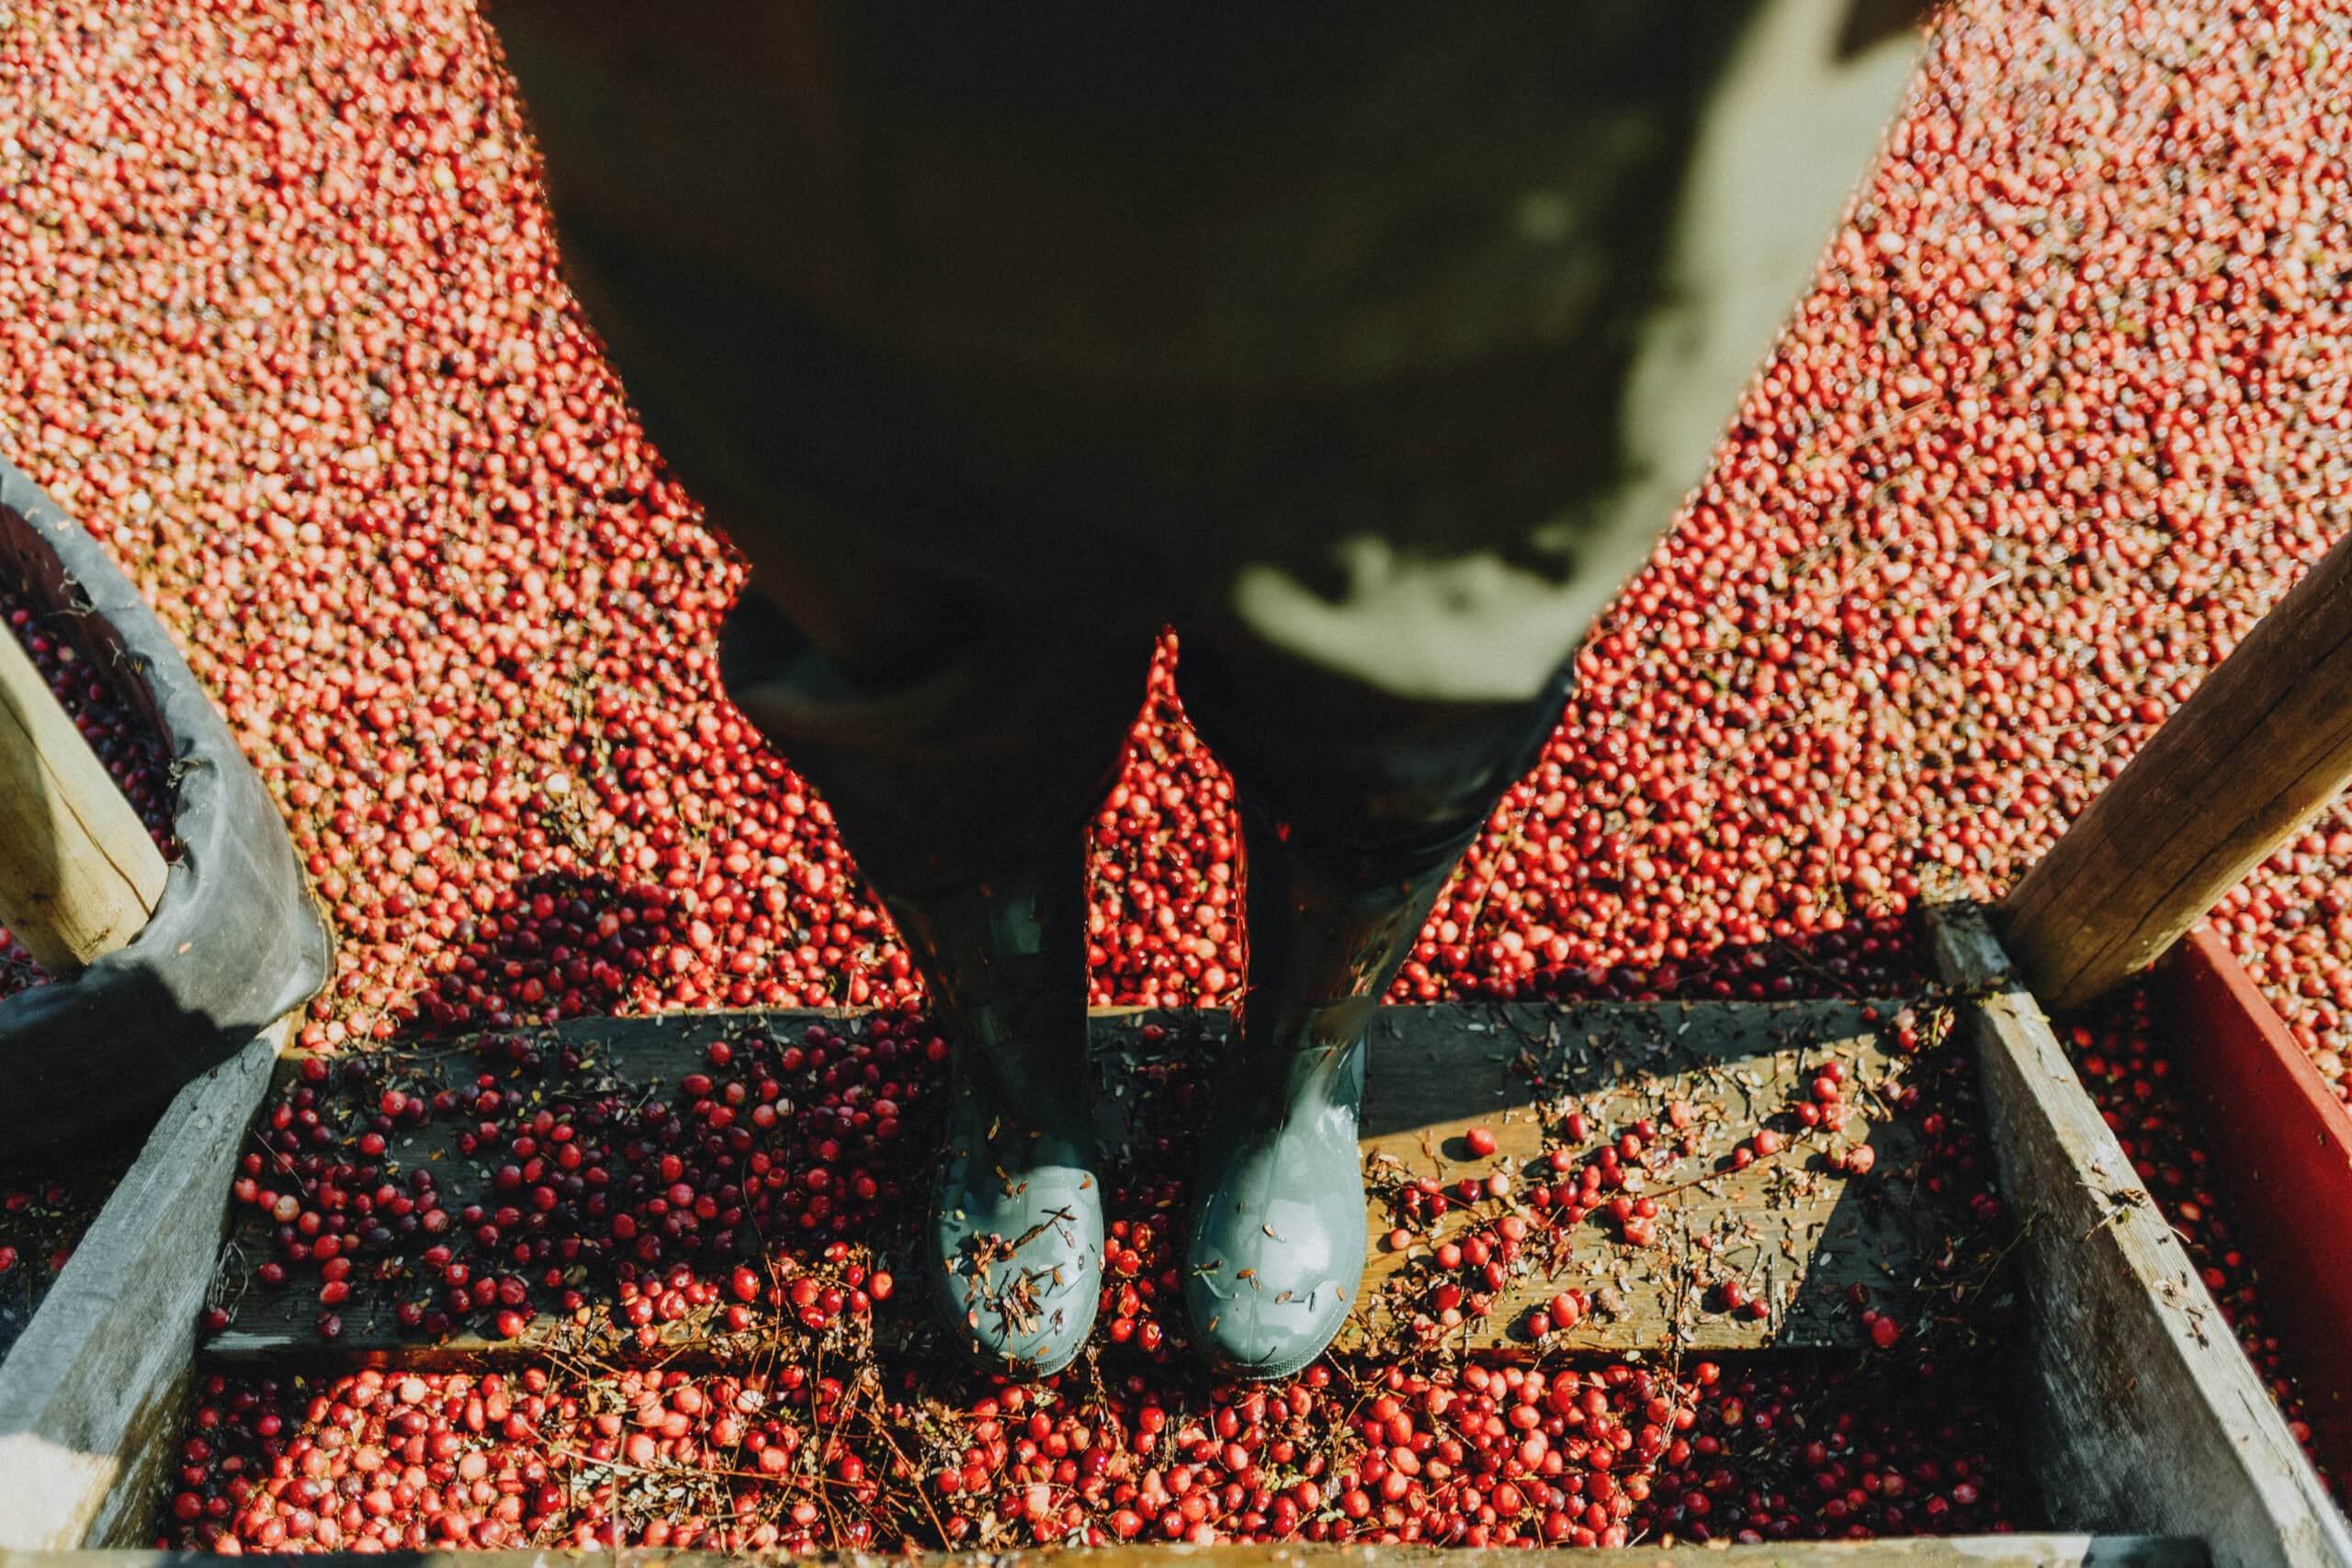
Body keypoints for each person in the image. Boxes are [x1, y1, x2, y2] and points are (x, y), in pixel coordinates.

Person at [482, 0, 1931, 1379]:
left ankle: (1304, 1074)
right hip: (856, 104)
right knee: (920, 646)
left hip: (1523, 129)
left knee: (1409, 673)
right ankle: (1017, 1086)